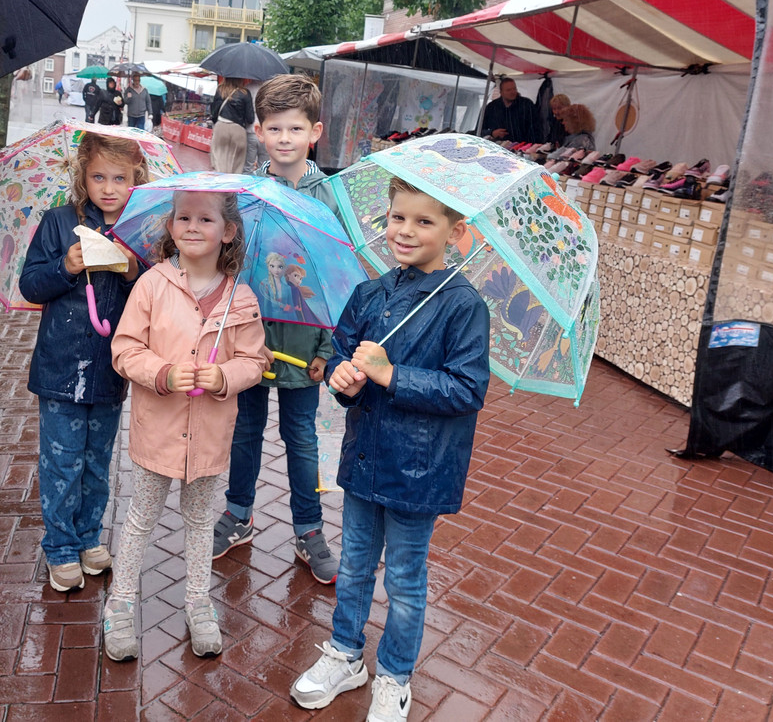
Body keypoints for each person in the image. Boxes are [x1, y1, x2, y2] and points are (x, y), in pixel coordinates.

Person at [289, 177, 491, 719]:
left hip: (419, 471)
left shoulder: (462, 306)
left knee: (404, 578)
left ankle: (395, 674)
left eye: (424, 222)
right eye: (398, 217)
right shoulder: (371, 293)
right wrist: (341, 377)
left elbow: (468, 388)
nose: (406, 230)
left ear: (456, 232)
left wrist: (391, 374)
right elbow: (337, 352)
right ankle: (346, 654)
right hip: (364, 458)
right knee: (354, 566)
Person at [104, 191, 271, 662]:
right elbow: (125, 348)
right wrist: (161, 373)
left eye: (205, 218)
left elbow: (255, 360)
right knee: (141, 517)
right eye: (183, 217)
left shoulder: (242, 296)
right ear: (171, 226)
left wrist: (225, 377)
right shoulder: (153, 285)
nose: (193, 226)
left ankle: (198, 600)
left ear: (229, 232)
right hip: (159, 428)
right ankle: (120, 603)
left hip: (210, 435)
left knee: (200, 520)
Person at [214, 74, 340, 585]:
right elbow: (231, 266)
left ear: (315, 132)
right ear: (258, 133)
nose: (284, 138)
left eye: (295, 128)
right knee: (243, 432)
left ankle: (309, 529)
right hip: (251, 341)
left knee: (300, 437)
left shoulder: (329, 198)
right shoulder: (245, 195)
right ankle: (239, 513)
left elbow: (338, 282)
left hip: (304, 345)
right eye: (273, 128)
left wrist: (329, 348)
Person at [18, 133, 147, 592]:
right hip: (59, 367)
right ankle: (60, 546)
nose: (108, 187)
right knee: (61, 461)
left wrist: (134, 271)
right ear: (83, 177)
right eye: (98, 177)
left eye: (120, 178)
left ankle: (90, 536)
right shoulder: (58, 224)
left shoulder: (141, 232)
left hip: (110, 370)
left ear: (136, 180)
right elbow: (30, 285)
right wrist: (65, 267)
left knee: (98, 459)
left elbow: (156, 298)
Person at [209, 76, 255, 173]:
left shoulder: (220, 90)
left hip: (220, 127)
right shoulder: (245, 93)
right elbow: (250, 119)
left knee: (219, 160)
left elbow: (213, 113)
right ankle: (233, 185)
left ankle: (220, 183)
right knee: (237, 164)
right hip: (238, 130)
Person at [481, 77, 541, 143]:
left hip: (522, 148)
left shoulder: (526, 105)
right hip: (498, 148)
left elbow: (535, 129)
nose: (512, 92)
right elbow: (479, 130)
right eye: (508, 90)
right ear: (501, 92)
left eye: (514, 89)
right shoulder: (491, 107)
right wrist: (492, 133)